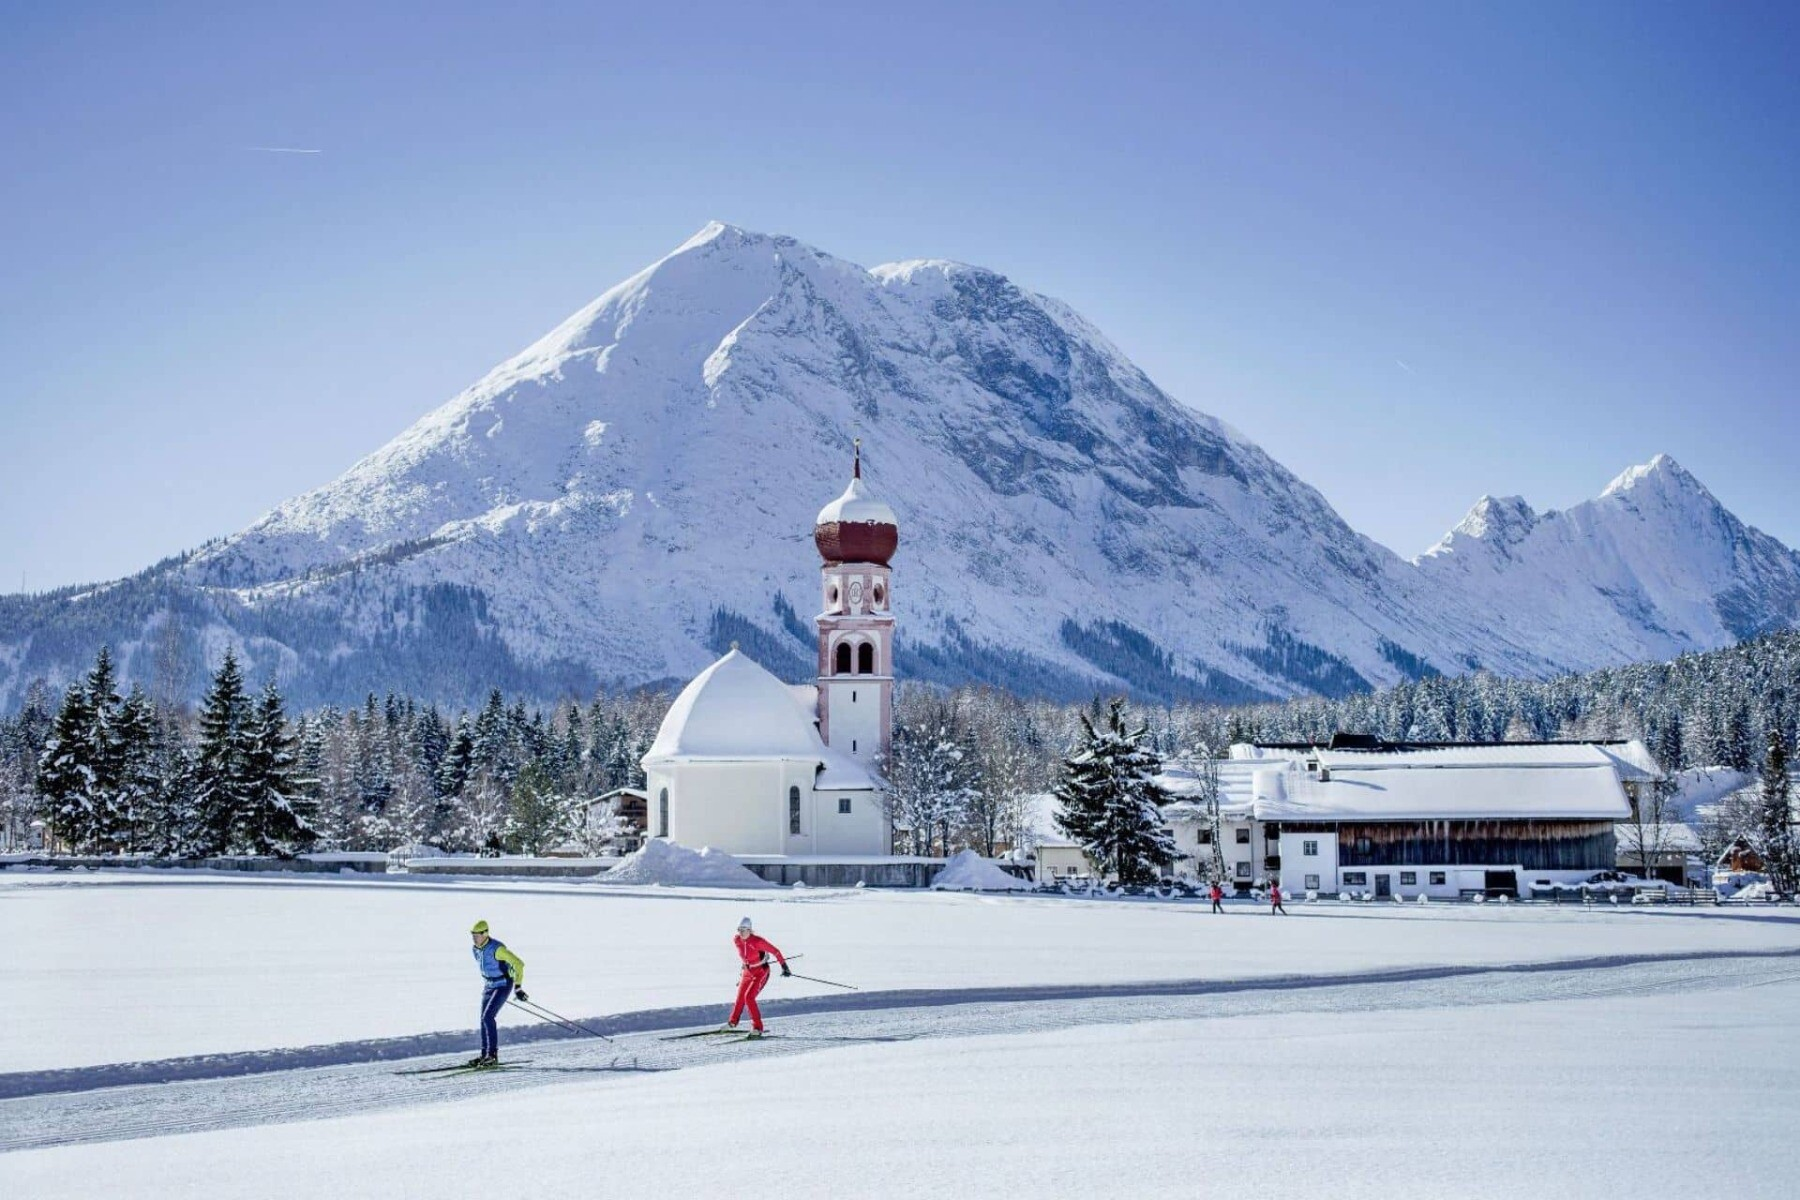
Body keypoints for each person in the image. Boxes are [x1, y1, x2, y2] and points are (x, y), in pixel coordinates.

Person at [469, 919, 526, 1066]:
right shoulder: (475, 949)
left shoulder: (497, 949)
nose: (474, 938)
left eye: (477, 935)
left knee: (488, 1017)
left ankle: (492, 1056)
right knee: (483, 1018)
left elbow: (518, 963)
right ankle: (484, 1055)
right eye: (473, 935)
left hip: (502, 984)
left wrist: (518, 987)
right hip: (489, 985)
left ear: (485, 934)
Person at [727, 916, 789, 1037]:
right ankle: (732, 1023)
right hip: (747, 971)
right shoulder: (737, 940)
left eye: (744, 929)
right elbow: (745, 955)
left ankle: (757, 1028)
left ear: (750, 930)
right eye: (739, 929)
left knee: (749, 997)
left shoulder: (758, 941)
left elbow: (775, 951)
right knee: (740, 997)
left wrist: (784, 967)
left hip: (761, 972)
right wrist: (746, 964)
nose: (741, 932)